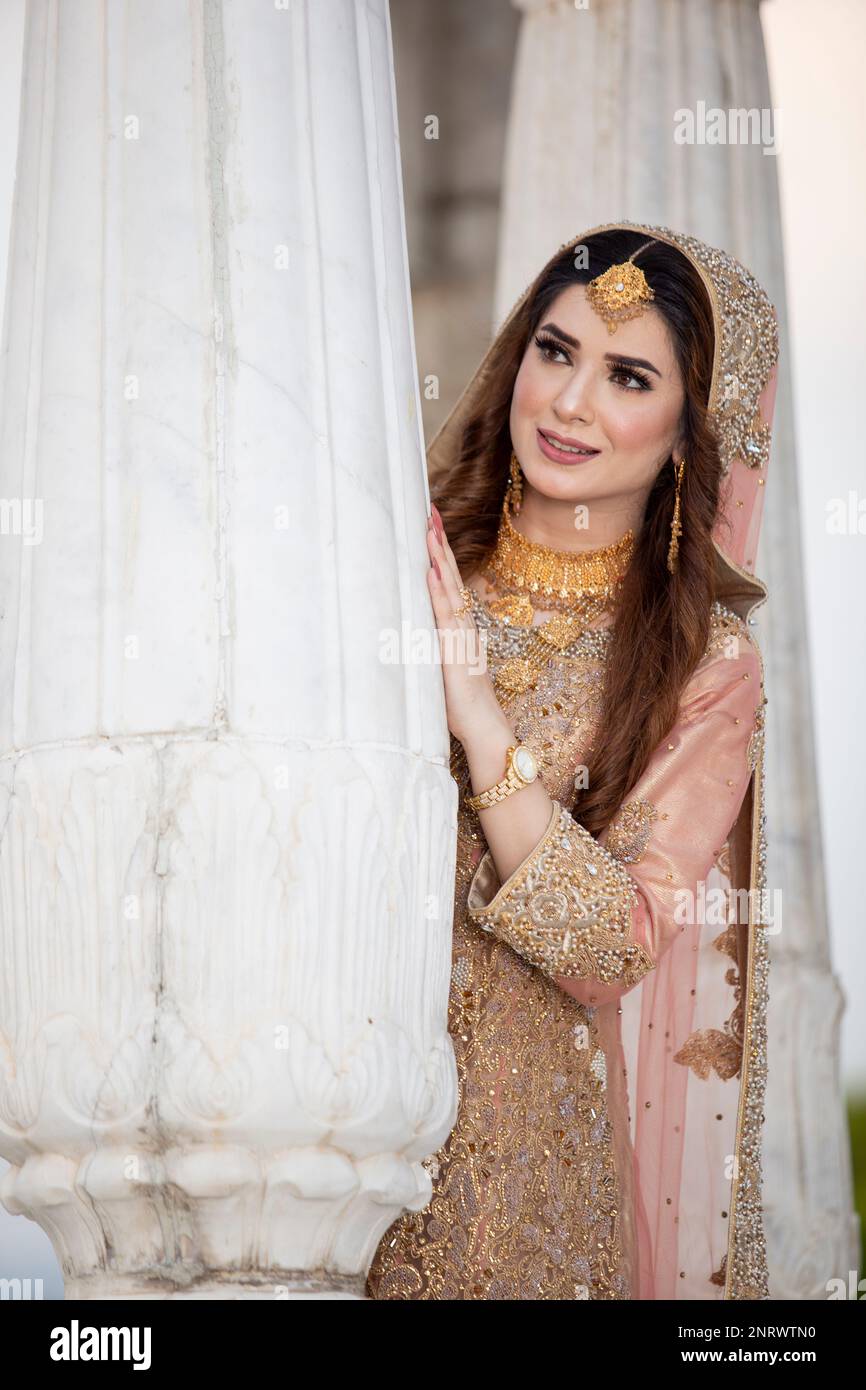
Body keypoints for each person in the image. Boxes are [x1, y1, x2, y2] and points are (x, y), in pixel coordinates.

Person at [365, 222, 779, 1301]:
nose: (567, 401)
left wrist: (473, 715)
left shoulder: (704, 669)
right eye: (554, 352)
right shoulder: (399, 563)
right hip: (320, 1092)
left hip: (513, 1186)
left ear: (689, 432)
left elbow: (611, 942)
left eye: (626, 376)